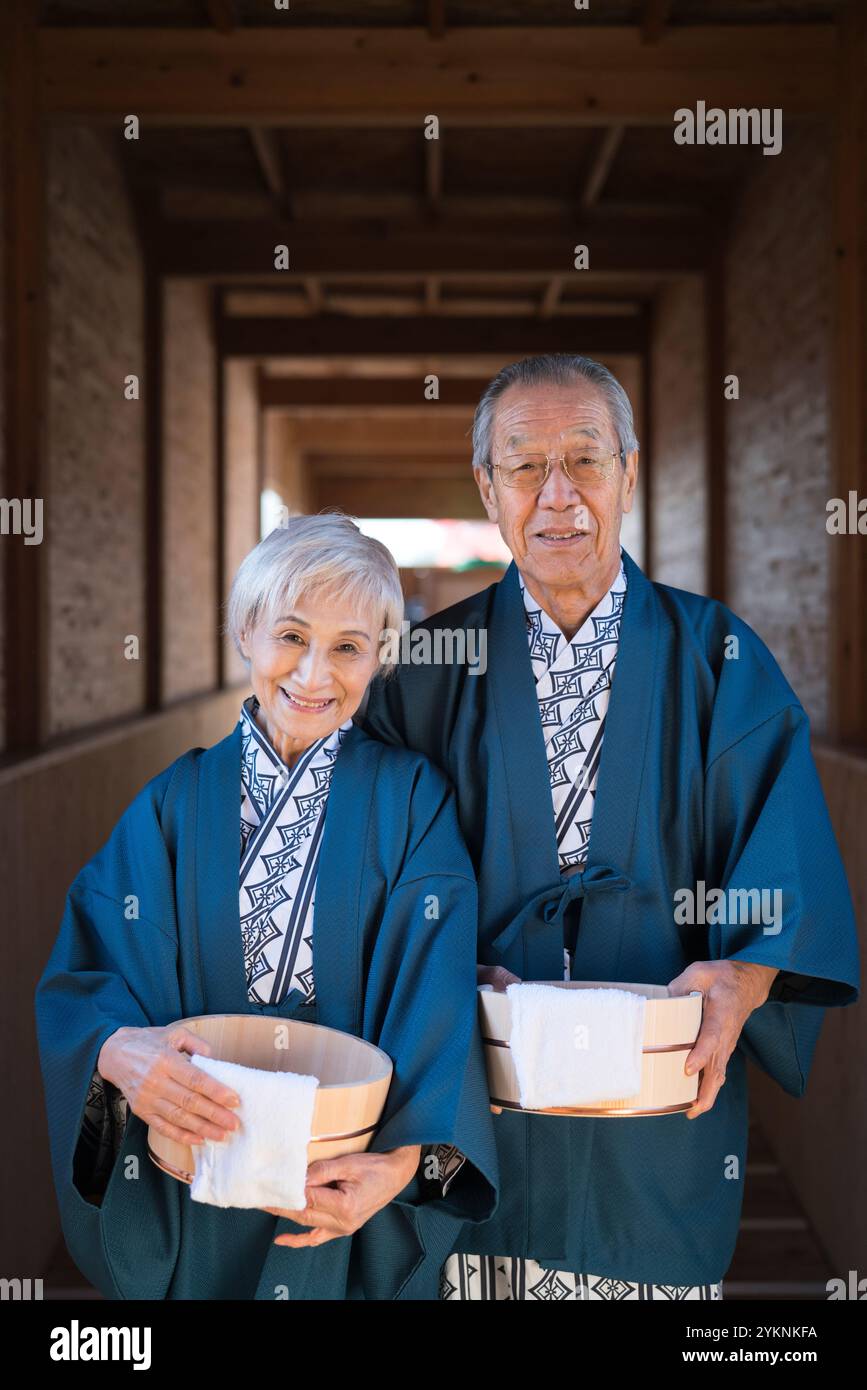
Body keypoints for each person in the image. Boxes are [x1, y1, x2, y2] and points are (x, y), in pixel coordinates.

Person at [362, 353, 861, 1301]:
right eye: (524, 466)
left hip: (658, 1118)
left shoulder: (714, 656)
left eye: (586, 460)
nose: (558, 496)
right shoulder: (425, 670)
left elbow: (779, 842)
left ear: (630, 473)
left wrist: (750, 972)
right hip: (477, 1110)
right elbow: (370, 874)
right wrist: (427, 967)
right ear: (487, 485)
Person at [35, 514, 498, 1301]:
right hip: (192, 1186)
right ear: (244, 631)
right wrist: (116, 1053)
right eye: (289, 634)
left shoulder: (412, 800)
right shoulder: (173, 804)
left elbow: (440, 991)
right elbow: (91, 973)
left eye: (349, 646)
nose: (314, 673)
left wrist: (399, 1165)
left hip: (339, 1186)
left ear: (379, 658)